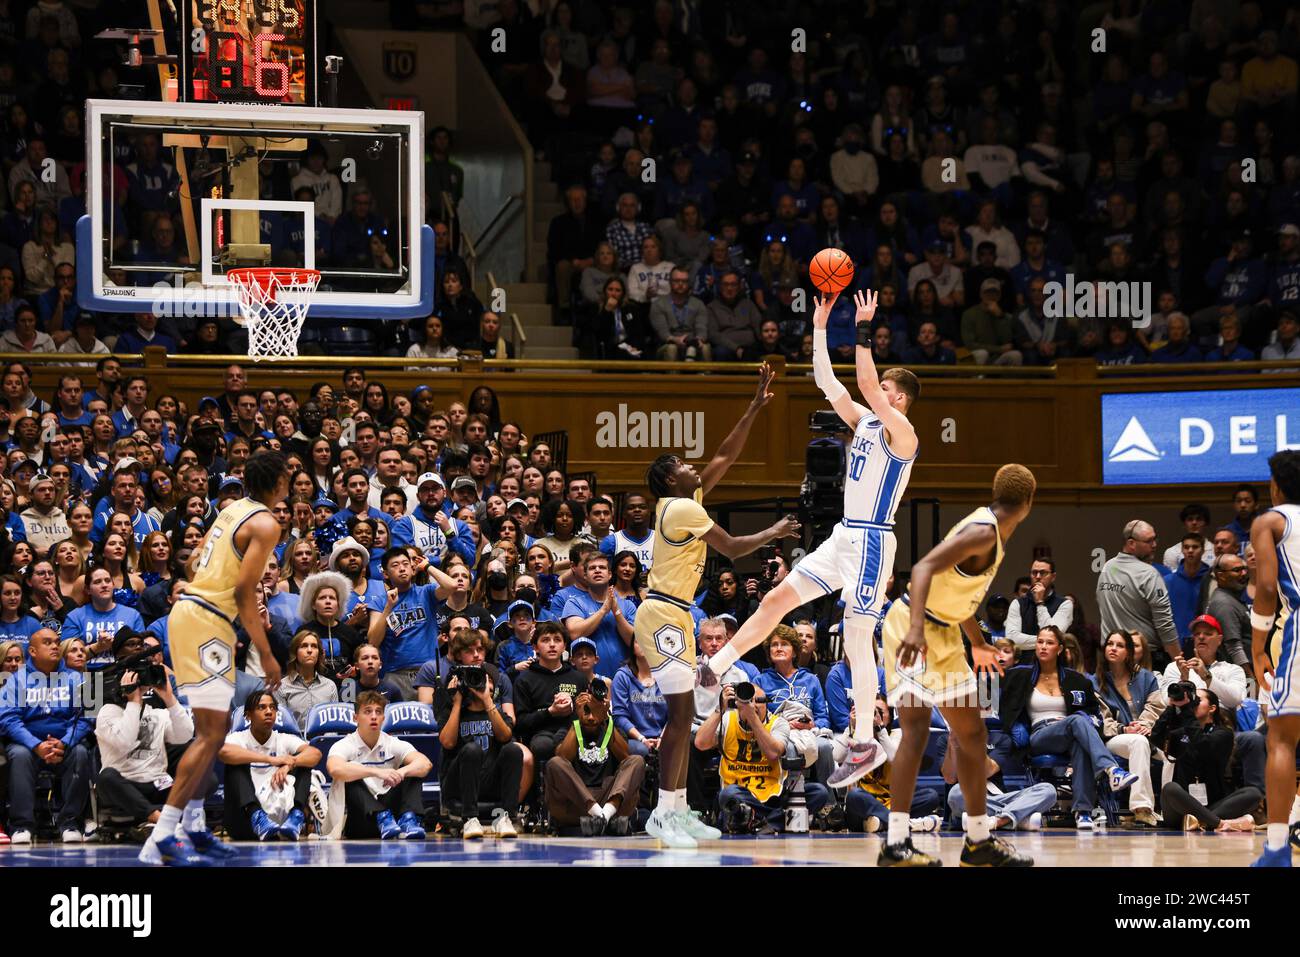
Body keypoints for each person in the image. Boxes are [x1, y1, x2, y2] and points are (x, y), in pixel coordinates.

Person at [712, 290, 918, 791]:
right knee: (778, 598)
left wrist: (863, 327)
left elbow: (866, 380)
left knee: (854, 639)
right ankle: (714, 666)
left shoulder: (903, 432)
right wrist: (822, 325)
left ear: (900, 399)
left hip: (872, 542)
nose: (876, 390)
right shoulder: (866, 421)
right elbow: (828, 382)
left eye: (885, 389)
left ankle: (865, 738)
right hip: (844, 535)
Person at [636, 364, 801, 848]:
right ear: (670, 477)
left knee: (685, 716)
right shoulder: (681, 507)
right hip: (663, 613)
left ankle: (680, 809)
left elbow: (725, 455)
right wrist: (772, 531)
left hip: (674, 614)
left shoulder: (685, 501)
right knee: (682, 714)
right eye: (684, 465)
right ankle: (664, 813)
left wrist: (754, 406)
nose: (694, 466)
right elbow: (730, 548)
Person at [878, 464, 1037, 866]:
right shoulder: (983, 531)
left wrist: (979, 642)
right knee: (913, 729)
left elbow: (955, 593)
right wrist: (915, 628)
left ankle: (978, 842)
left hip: (945, 633)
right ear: (1029, 503)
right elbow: (923, 568)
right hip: (911, 625)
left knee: (972, 731)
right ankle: (895, 844)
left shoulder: (994, 533)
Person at [139, 450, 288, 866]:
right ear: (279, 482)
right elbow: (244, 594)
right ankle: (165, 835)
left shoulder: (231, 510)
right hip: (207, 621)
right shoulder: (266, 522)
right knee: (209, 734)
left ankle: (195, 825)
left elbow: (191, 560)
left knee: (217, 728)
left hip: (196, 614)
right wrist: (266, 653)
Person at [1001, 626, 1139, 830]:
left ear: (1060, 649)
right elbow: (999, 702)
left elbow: (1094, 713)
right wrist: (1014, 727)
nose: (1043, 646)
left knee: (1079, 741)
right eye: (1040, 642)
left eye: (1049, 642)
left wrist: (1087, 721)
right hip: (1040, 735)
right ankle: (1112, 770)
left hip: (1072, 732)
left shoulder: (1076, 679)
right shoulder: (1020, 675)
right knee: (1076, 721)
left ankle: (1082, 813)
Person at [1248, 449, 1300, 866]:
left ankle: (1278, 851)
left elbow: (1266, 588)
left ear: (1276, 485)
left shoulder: (1270, 521)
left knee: (1281, 738)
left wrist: (1258, 645)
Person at [695, 680, 829, 835]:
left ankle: (754, 821)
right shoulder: (728, 719)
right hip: (741, 795)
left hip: (775, 796)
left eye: (757, 701)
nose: (753, 705)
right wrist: (720, 709)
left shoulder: (779, 723)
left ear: (766, 703)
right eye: (748, 700)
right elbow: (700, 743)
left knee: (819, 792)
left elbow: (773, 753)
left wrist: (752, 719)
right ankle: (773, 821)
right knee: (728, 795)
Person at [93, 630, 194, 831]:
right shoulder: (107, 712)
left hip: (158, 784)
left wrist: (169, 698)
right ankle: (159, 817)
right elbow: (125, 742)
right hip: (126, 784)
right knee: (106, 778)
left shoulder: (157, 712)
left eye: (142, 646)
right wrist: (134, 701)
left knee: (200, 764)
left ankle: (153, 819)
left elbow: (185, 735)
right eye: (132, 645)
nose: (139, 649)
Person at [0, 628, 92, 844]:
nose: (55, 646)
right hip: (28, 745)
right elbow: (8, 719)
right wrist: (36, 745)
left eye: (57, 642)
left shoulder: (79, 678)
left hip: (65, 743)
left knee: (80, 752)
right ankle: (22, 826)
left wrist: (65, 742)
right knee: (19, 755)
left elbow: (88, 717)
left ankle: (70, 824)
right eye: (48, 643)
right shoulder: (15, 679)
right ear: (32, 650)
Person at [435, 627, 524, 839]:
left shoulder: (493, 684)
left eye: (480, 650)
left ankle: (508, 817)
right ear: (458, 655)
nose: (476, 655)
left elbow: (504, 737)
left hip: (489, 776)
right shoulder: (448, 690)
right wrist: (457, 703)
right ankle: (470, 819)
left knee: (513, 749)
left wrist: (486, 701)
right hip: (457, 778)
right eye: (469, 650)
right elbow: (447, 743)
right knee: (472, 749)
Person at [323, 691, 433, 840]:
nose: (373, 716)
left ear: (383, 719)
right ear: (356, 718)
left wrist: (402, 772)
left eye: (378, 712)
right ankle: (381, 816)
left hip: (392, 823)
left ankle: (408, 820)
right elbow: (335, 769)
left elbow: (425, 764)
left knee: (413, 770)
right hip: (361, 819)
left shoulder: (392, 743)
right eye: (367, 712)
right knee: (350, 771)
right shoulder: (344, 744)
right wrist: (376, 772)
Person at [1154, 686, 1260, 834]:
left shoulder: (1224, 734)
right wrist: (1172, 707)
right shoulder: (1181, 733)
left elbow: (1202, 745)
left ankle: (1201, 821)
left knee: (1253, 793)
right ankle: (1218, 823)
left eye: (1197, 699)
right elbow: (1155, 737)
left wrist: (1188, 715)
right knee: (1170, 788)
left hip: (1213, 804)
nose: (1192, 702)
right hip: (1181, 810)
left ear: (1212, 708)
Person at [220, 690, 321, 841]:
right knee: (235, 763)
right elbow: (223, 752)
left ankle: (296, 817)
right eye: (261, 707)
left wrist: (290, 764)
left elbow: (315, 754)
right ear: (248, 715)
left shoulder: (284, 739)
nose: (269, 712)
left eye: (272, 708)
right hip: (245, 823)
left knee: (303, 763)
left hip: (281, 821)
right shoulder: (238, 738)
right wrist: (270, 760)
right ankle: (257, 816)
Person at [1097, 520, 1180, 666]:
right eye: (1149, 541)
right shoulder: (1149, 574)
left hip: (1111, 656)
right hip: (1143, 659)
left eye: (1155, 539)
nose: (1154, 545)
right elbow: (1164, 623)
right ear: (1131, 543)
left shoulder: (1108, 567)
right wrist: (1178, 660)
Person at [273, 630, 340, 728]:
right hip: (293, 741)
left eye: (314, 646)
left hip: (323, 740)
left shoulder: (330, 686)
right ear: (295, 652)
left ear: (319, 653)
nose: (309, 650)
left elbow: (334, 725)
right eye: (304, 646)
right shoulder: (281, 686)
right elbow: (281, 726)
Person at [1004, 558, 1074, 652]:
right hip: (1024, 663)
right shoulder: (1018, 603)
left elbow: (1053, 634)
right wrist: (1046, 641)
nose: (1037, 576)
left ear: (1053, 577)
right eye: (1034, 572)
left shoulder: (1065, 604)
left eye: (1043, 573)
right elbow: (1012, 639)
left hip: (1053, 664)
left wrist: (1040, 603)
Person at [611, 641, 667, 756]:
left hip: (664, 735)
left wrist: (663, 738)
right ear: (632, 646)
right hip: (634, 738)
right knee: (641, 750)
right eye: (639, 640)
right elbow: (619, 716)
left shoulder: (667, 676)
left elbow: (674, 716)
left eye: (647, 639)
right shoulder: (622, 676)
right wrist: (642, 738)